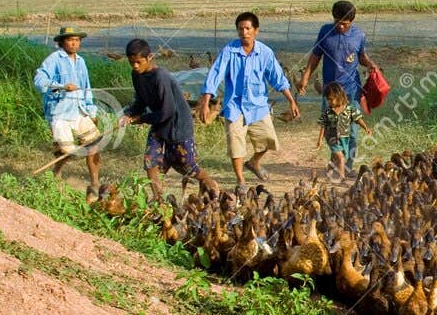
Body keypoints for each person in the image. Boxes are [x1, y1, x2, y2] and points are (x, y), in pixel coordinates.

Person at [200, 11, 299, 186]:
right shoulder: (229, 51)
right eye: (240, 29)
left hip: (258, 106)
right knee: (236, 145)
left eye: (247, 28)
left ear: (256, 30)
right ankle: (241, 180)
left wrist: (291, 101)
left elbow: (277, 78)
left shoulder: (265, 53)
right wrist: (205, 102)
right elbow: (215, 75)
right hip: (235, 106)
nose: (244, 32)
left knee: (269, 140)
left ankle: (254, 162)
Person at [121, 38, 218, 203]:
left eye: (139, 62)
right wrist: (129, 114)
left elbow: (168, 111)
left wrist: (141, 118)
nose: (135, 66)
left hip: (177, 123)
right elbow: (141, 101)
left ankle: (209, 182)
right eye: (131, 62)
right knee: (150, 161)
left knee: (187, 166)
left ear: (149, 57)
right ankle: (158, 198)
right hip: (159, 121)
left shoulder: (160, 76)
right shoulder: (136, 75)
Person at [295, 0, 380, 171]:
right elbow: (315, 56)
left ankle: (347, 166)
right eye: (337, 22)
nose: (340, 26)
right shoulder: (325, 32)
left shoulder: (359, 35)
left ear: (352, 21)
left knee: (352, 130)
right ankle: (336, 158)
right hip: (331, 91)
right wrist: (305, 77)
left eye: (344, 24)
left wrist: (370, 63)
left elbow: (361, 56)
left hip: (351, 90)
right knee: (330, 129)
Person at [33, 25, 103, 188]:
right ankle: (56, 174)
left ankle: (95, 183)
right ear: (62, 42)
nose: (74, 43)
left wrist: (91, 111)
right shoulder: (54, 59)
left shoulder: (81, 61)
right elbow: (39, 81)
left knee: (94, 143)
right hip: (60, 113)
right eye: (70, 40)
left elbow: (86, 87)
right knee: (67, 151)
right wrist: (62, 86)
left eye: (77, 40)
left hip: (79, 110)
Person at [318, 81, 369, 181]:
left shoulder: (350, 109)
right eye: (328, 100)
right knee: (341, 158)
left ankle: (329, 167)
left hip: (345, 138)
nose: (329, 102)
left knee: (337, 156)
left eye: (331, 99)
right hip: (332, 138)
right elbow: (323, 125)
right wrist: (319, 140)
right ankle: (342, 177)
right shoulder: (328, 112)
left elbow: (358, 119)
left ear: (339, 96)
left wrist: (366, 127)